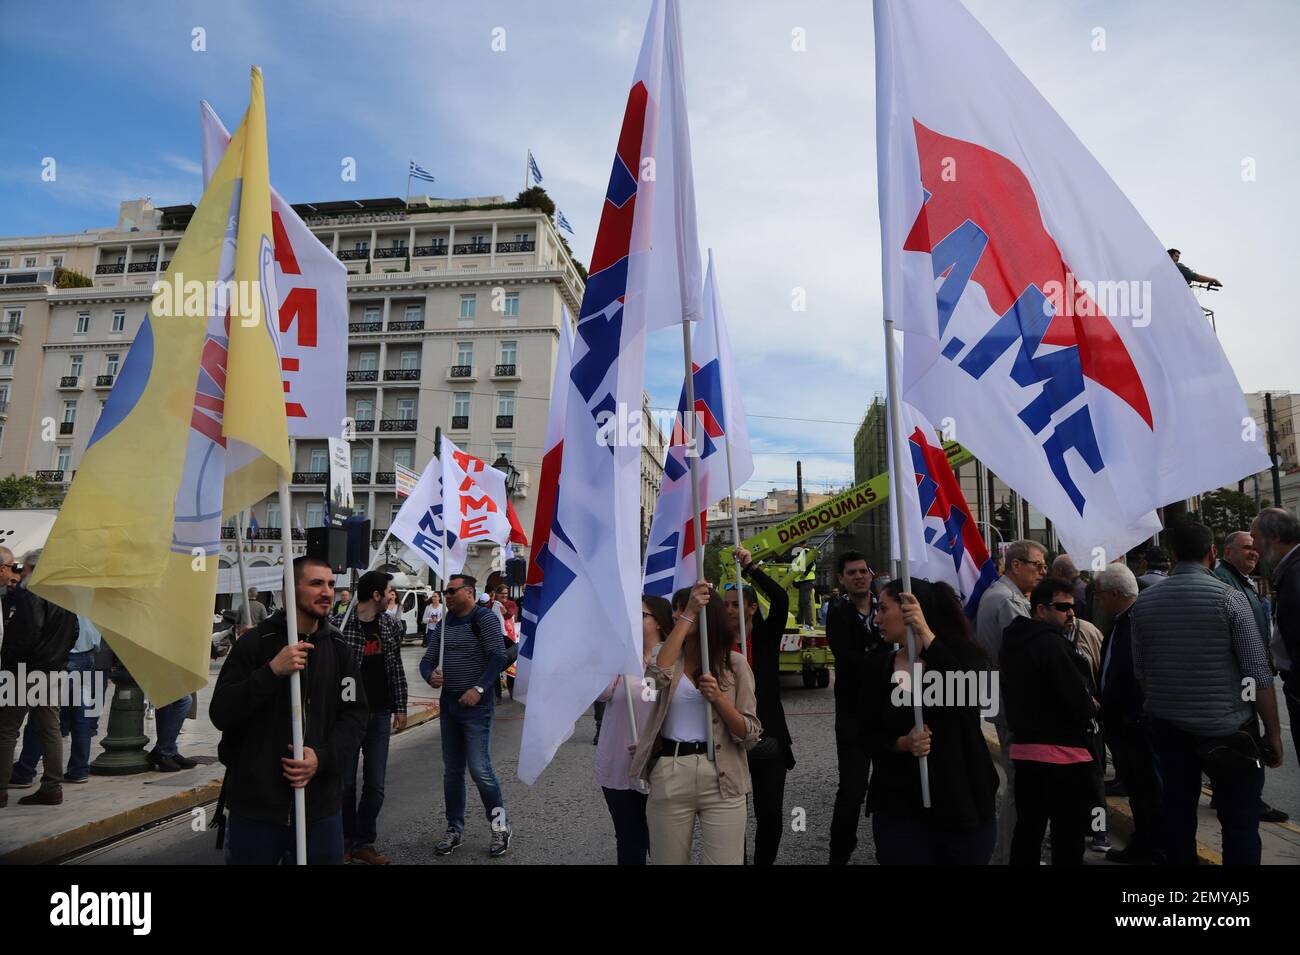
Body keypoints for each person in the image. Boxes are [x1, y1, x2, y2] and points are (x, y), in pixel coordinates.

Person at [1130, 521, 1284, 866]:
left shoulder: (1144, 604)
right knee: (1240, 822)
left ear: (1172, 555)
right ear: (1213, 553)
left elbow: (1141, 672)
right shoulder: (1231, 600)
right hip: (1229, 731)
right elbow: (1258, 675)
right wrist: (1273, 734)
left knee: (1178, 816)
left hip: (1168, 729)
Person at [210, 555, 368, 864]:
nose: (327, 592)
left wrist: (321, 758)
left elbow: (355, 716)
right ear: (288, 592)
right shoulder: (255, 644)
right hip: (257, 808)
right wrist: (271, 672)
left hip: (319, 808)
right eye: (315, 583)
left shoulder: (339, 649)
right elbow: (222, 712)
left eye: (331, 584)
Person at [860, 579, 999, 863]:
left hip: (963, 805)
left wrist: (924, 633)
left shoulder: (967, 657)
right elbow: (864, 733)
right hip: (901, 808)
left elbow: (968, 696)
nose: (877, 618)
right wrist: (901, 743)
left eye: (884, 609)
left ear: (912, 610)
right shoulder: (877, 666)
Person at [629, 583, 760, 865]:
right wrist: (689, 612)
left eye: (685, 609)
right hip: (671, 770)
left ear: (707, 616)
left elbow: (749, 734)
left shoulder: (734, 663)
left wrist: (720, 700)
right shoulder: (664, 655)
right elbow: (654, 680)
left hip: (723, 774)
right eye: (676, 610)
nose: (677, 615)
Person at [1000, 576, 1098, 866]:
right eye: (1063, 607)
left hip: (1026, 749)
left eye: (1073, 607)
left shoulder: (1014, 642)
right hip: (1063, 752)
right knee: (1067, 833)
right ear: (1041, 610)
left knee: (1028, 827)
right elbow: (1075, 697)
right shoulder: (1052, 646)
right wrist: (1089, 705)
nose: (1071, 614)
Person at [420, 573, 512, 858]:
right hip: (449, 706)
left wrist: (479, 687)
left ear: (469, 592)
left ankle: (500, 827)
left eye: (451, 591)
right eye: (444, 592)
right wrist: (429, 676)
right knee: (452, 772)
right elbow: (427, 660)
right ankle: (454, 828)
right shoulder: (446, 623)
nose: (446, 596)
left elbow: (499, 656)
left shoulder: (483, 619)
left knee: (480, 770)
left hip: (476, 708)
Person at [974, 538, 1047, 864]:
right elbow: (1031, 652)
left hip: (1006, 699)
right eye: (1037, 565)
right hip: (1014, 703)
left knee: (1020, 783)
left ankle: (1010, 852)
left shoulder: (1004, 595)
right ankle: (1010, 855)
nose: (1042, 572)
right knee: (1020, 785)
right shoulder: (1006, 601)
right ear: (1016, 565)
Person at [1214, 528, 1289, 824]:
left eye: (1255, 547)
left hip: (1246, 676)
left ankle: (1229, 795)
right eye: (1246, 547)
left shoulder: (1241, 582)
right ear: (1227, 551)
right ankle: (1248, 801)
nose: (1254, 551)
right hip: (1241, 679)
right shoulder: (1225, 582)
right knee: (1245, 742)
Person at [335, 570, 409, 865]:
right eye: (389, 590)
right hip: (348, 716)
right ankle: (343, 842)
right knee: (345, 785)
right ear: (376, 595)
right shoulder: (339, 626)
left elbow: (396, 668)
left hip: (379, 714)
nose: (392, 594)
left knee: (375, 786)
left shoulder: (390, 625)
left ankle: (364, 842)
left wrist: (400, 706)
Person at [727, 547, 794, 865]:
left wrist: (751, 568)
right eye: (725, 605)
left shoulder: (766, 637)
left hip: (769, 739)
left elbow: (781, 599)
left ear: (752, 608)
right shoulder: (718, 645)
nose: (729, 610)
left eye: (736, 604)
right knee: (732, 816)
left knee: (770, 814)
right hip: (731, 741)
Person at [594, 595, 671, 865]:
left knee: (664, 841)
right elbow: (601, 694)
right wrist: (612, 654)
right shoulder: (622, 658)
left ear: (660, 622)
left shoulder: (673, 659)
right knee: (629, 840)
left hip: (661, 764)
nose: (634, 620)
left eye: (642, 614)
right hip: (620, 765)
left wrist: (654, 744)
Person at [1094, 563, 1162, 864]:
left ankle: (1151, 846)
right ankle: (1144, 842)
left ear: (1114, 593)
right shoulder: (1121, 621)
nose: (1097, 600)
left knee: (1148, 790)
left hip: (1136, 723)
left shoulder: (1138, 622)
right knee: (1138, 790)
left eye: (1100, 595)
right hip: (1122, 723)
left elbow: (1140, 675)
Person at [0, 549, 78, 808]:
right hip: (53, 669)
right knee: (50, 729)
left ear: (34, 569)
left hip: (26, 670)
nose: (20, 573)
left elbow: (26, 634)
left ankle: (1, 789)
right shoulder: (64, 595)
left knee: (8, 728)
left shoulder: (32, 594)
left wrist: (9, 661)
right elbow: (74, 633)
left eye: (23, 569)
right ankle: (52, 787)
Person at [824, 551, 881, 864]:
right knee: (852, 791)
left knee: (889, 788)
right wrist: (885, 660)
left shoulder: (886, 605)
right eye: (852, 572)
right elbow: (847, 659)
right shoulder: (837, 613)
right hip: (852, 714)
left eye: (863, 570)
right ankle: (840, 853)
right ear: (842, 579)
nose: (859, 576)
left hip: (888, 712)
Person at [1252, 507, 1300, 768]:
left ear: (1276, 537)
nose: (1254, 545)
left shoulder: (1295, 574)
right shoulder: (1290, 570)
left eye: (1256, 536)